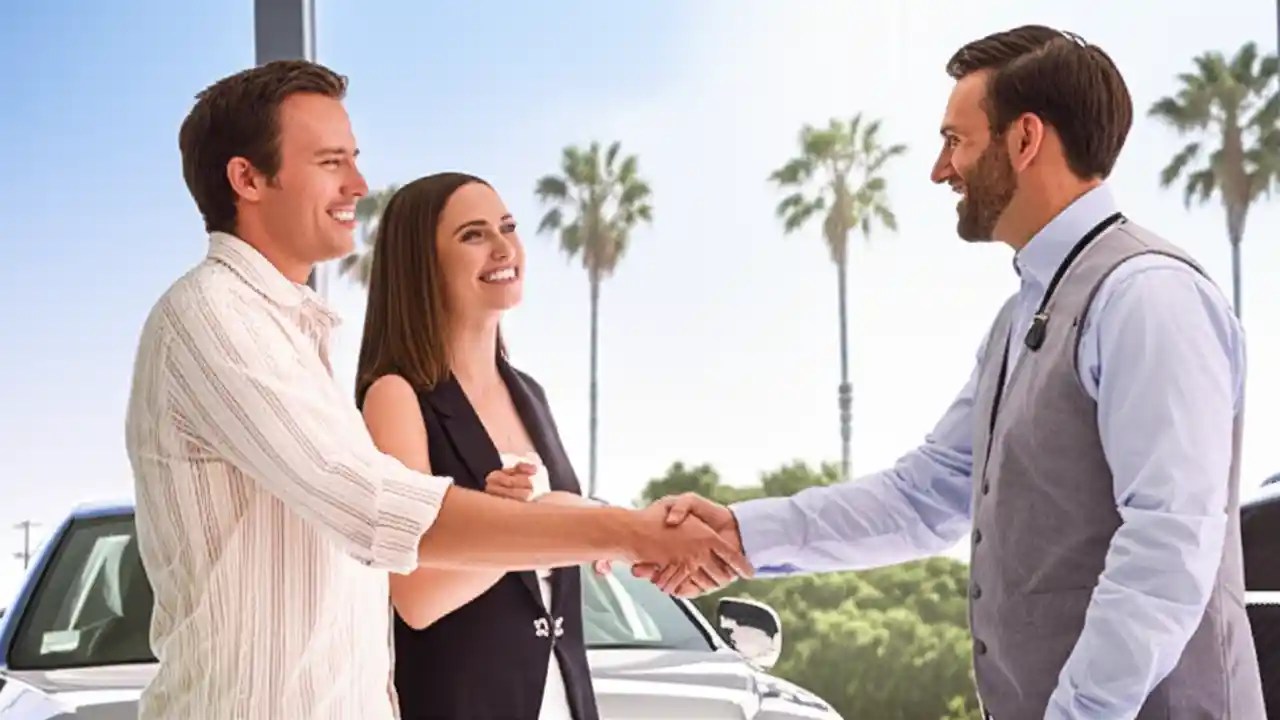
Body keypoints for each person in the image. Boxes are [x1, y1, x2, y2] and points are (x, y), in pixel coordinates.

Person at [640, 25, 1264, 720]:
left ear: (1025, 140)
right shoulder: (1022, 315)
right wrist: (739, 531)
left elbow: (1168, 544)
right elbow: (926, 493)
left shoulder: (1149, 297)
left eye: (956, 141)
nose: (942, 169)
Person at [123, 60, 750, 720]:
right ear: (247, 178)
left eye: (355, 160)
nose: (359, 185)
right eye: (330, 162)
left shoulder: (294, 335)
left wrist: (547, 522)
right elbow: (374, 509)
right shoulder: (214, 318)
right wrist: (619, 532)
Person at [353, 172, 604, 719]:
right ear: (422, 263)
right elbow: (415, 599)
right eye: (473, 234)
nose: (503, 247)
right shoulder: (396, 398)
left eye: (508, 227)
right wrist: (530, 523)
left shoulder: (529, 394)